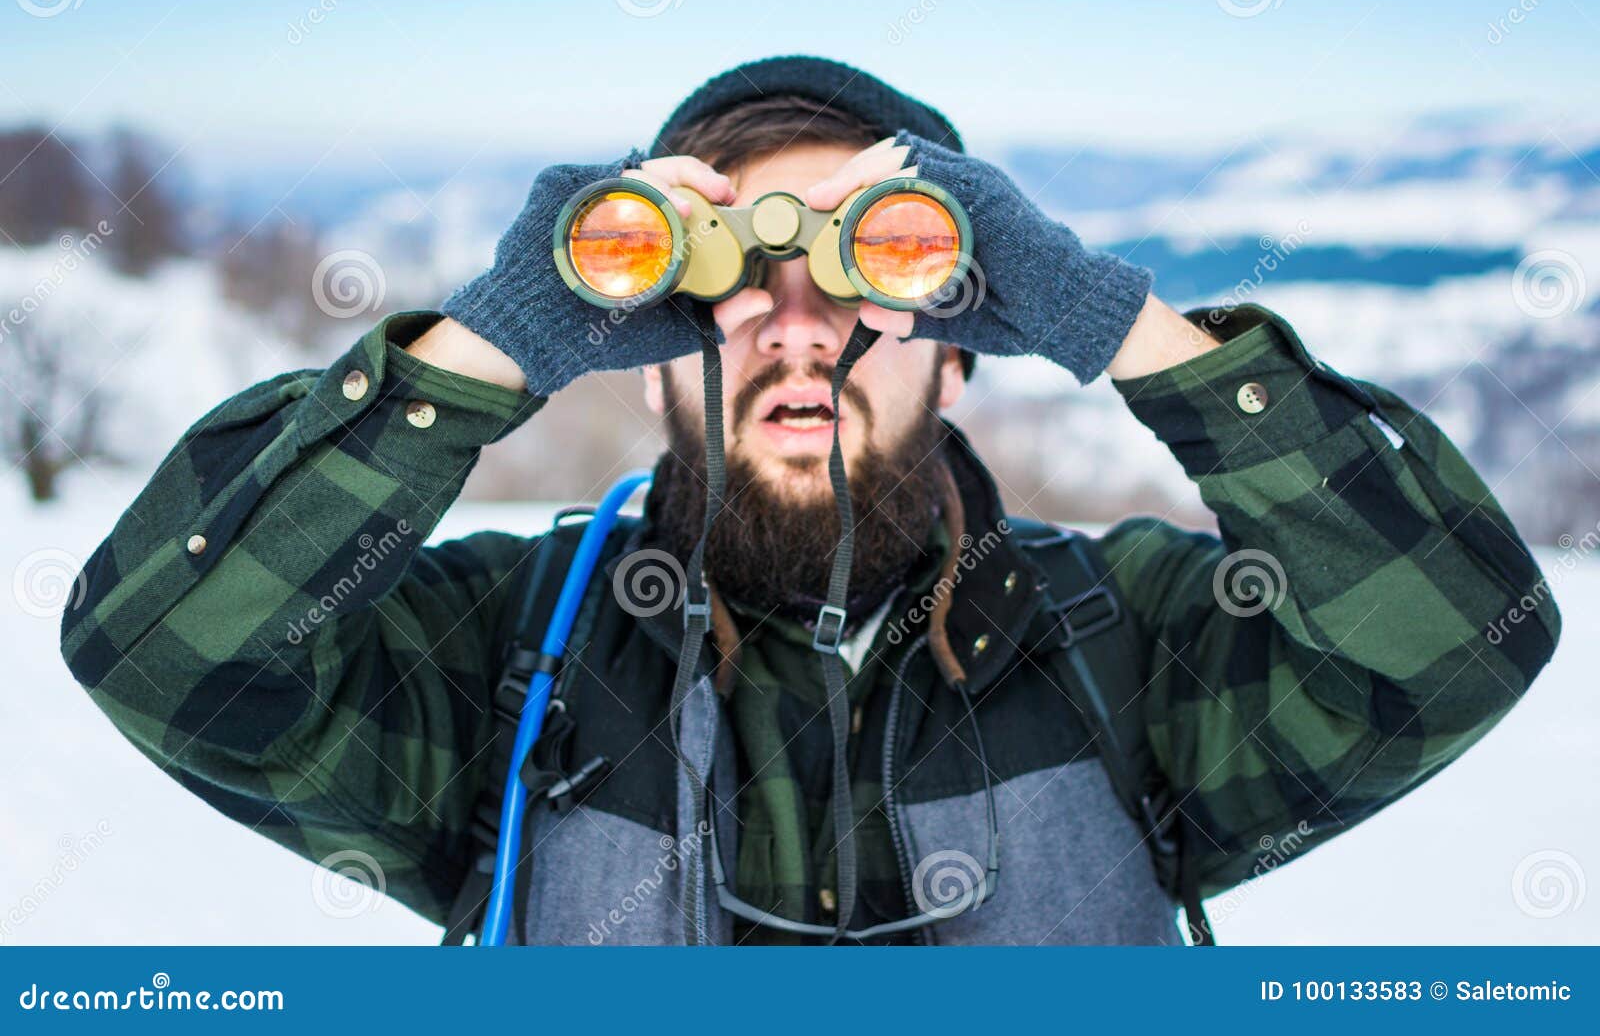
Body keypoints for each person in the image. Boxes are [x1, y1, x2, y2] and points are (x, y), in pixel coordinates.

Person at [61, 56, 1559, 945]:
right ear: (642, 361)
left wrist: (1118, 322)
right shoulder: (509, 668)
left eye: (872, 268)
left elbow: (1459, 637)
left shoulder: (1132, 651)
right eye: (719, 289)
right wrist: (500, 333)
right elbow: (167, 652)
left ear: (964, 356)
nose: (795, 324)